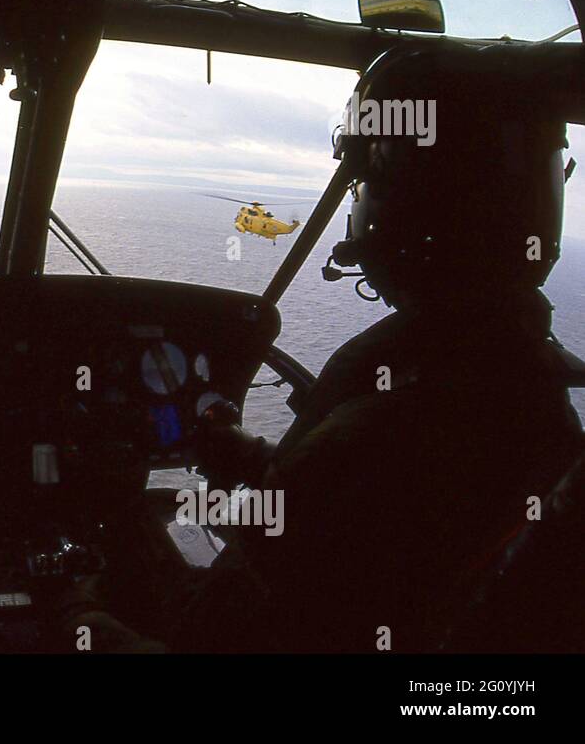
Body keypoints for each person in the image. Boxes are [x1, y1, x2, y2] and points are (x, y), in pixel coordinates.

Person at [57, 42, 585, 653]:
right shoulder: (533, 405)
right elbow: (348, 519)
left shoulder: (385, 427)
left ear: (403, 194)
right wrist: (244, 459)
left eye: (363, 179)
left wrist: (72, 612)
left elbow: (264, 581)